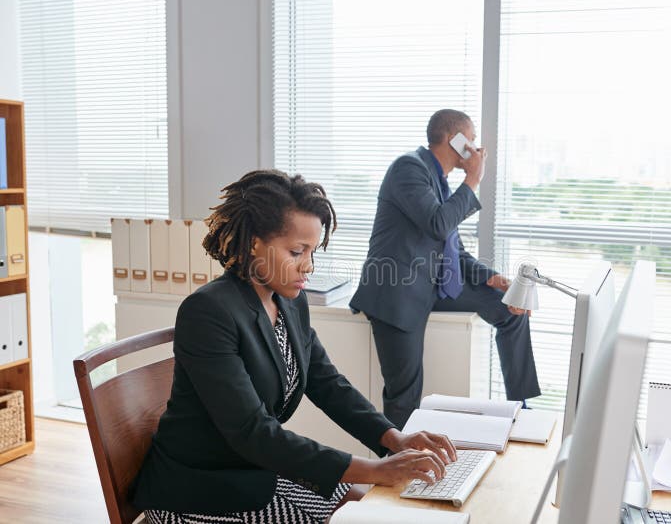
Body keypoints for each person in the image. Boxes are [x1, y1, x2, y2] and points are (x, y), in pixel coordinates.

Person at [132, 170, 456, 524]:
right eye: (296, 251)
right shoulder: (209, 312)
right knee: (362, 510)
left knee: (370, 508)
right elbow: (251, 431)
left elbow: (328, 384)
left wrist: (394, 438)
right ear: (255, 243)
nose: (309, 265)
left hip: (256, 468)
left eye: (312, 251)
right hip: (202, 489)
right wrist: (376, 469)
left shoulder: (289, 301)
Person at [350, 109, 541, 429]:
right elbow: (438, 224)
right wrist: (473, 179)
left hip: (431, 287)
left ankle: (520, 408)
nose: (477, 150)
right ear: (457, 141)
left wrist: (491, 278)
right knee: (404, 396)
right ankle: (395, 469)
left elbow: (454, 249)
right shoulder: (408, 168)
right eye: (473, 141)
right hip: (397, 293)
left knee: (510, 308)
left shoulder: (439, 184)